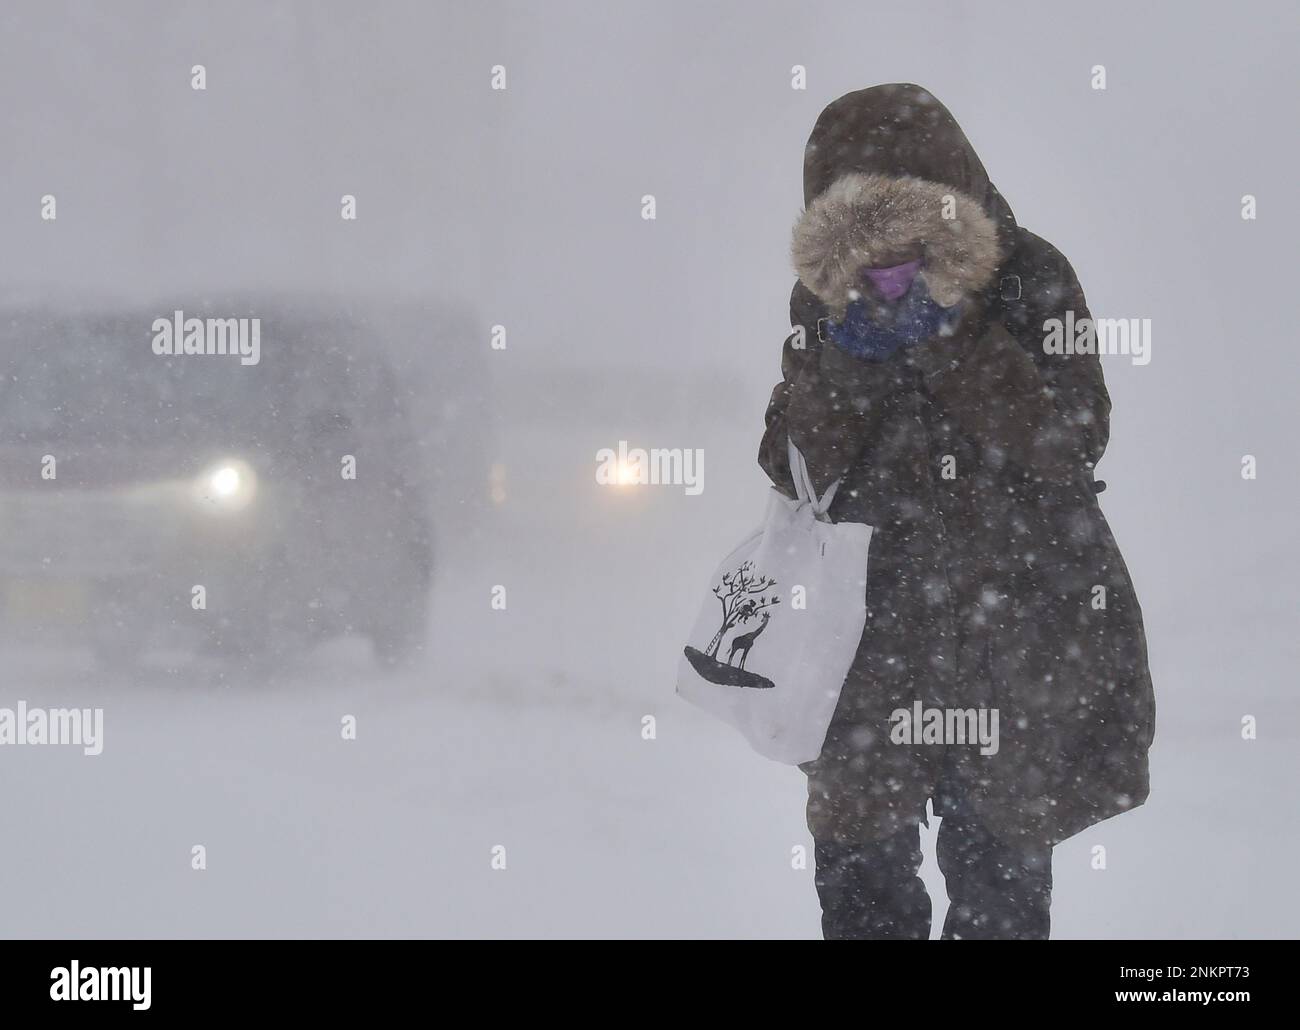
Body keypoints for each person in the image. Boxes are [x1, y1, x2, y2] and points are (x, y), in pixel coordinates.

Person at [758, 83, 1154, 940]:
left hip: (1012, 633)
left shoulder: (1035, 275)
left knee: (1002, 896)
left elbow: (1076, 439)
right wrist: (847, 365)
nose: (888, 257)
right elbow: (788, 466)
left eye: (910, 234)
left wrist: (957, 343)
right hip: (865, 647)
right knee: (863, 895)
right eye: (863, 238)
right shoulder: (821, 304)